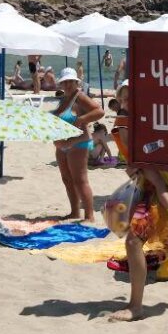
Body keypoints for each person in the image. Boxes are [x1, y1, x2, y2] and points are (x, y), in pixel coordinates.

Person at [109, 87, 168, 322]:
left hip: (157, 197)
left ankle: (136, 306)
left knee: (133, 242)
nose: (124, 102)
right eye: (122, 99)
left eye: (129, 97)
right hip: (161, 192)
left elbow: (158, 181)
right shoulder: (148, 123)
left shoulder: (145, 128)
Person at [51, 68, 104, 221]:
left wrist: (81, 119)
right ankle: (75, 212)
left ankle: (89, 216)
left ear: (76, 82)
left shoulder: (79, 96)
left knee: (80, 180)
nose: (68, 84)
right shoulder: (64, 98)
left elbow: (99, 112)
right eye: (65, 82)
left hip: (78, 143)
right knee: (67, 179)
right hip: (62, 145)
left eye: (70, 81)